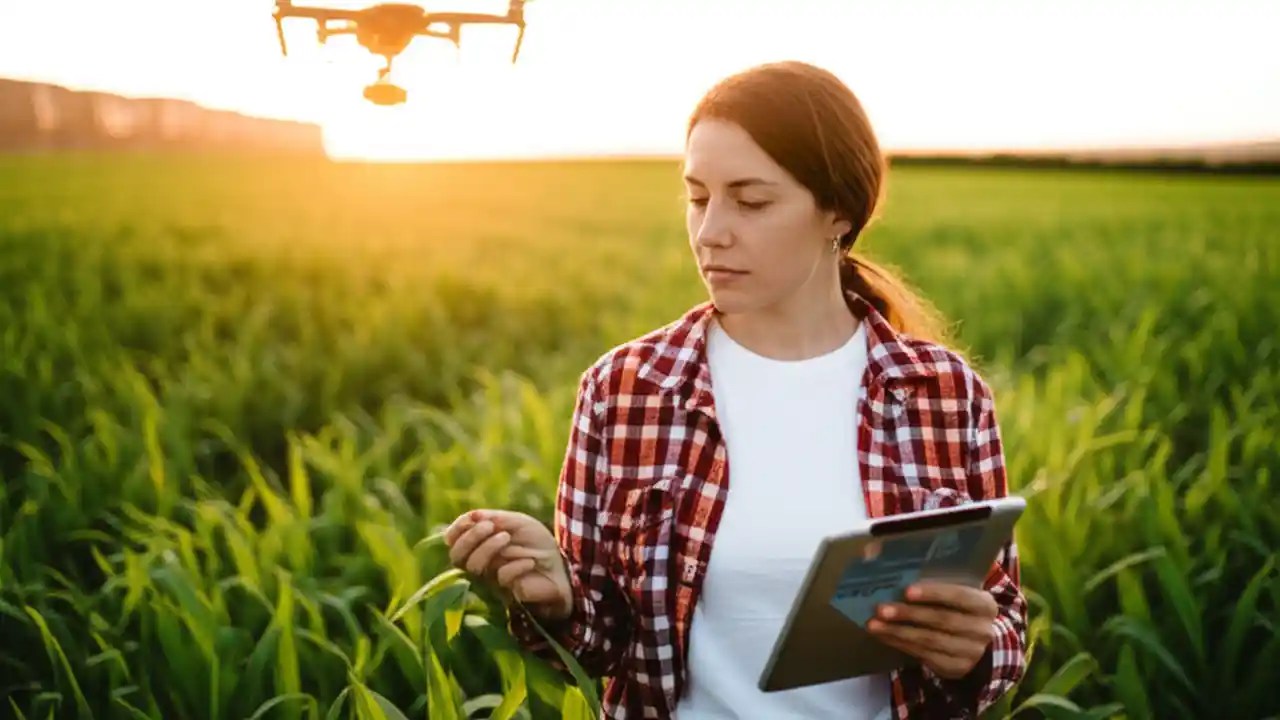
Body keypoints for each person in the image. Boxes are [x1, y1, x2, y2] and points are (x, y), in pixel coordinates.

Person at [444, 60, 1027, 719]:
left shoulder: (944, 394)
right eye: (698, 198)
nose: (710, 231)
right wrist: (559, 599)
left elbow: (1003, 624)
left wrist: (974, 650)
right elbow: (600, 645)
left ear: (837, 209)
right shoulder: (625, 391)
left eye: (750, 201)